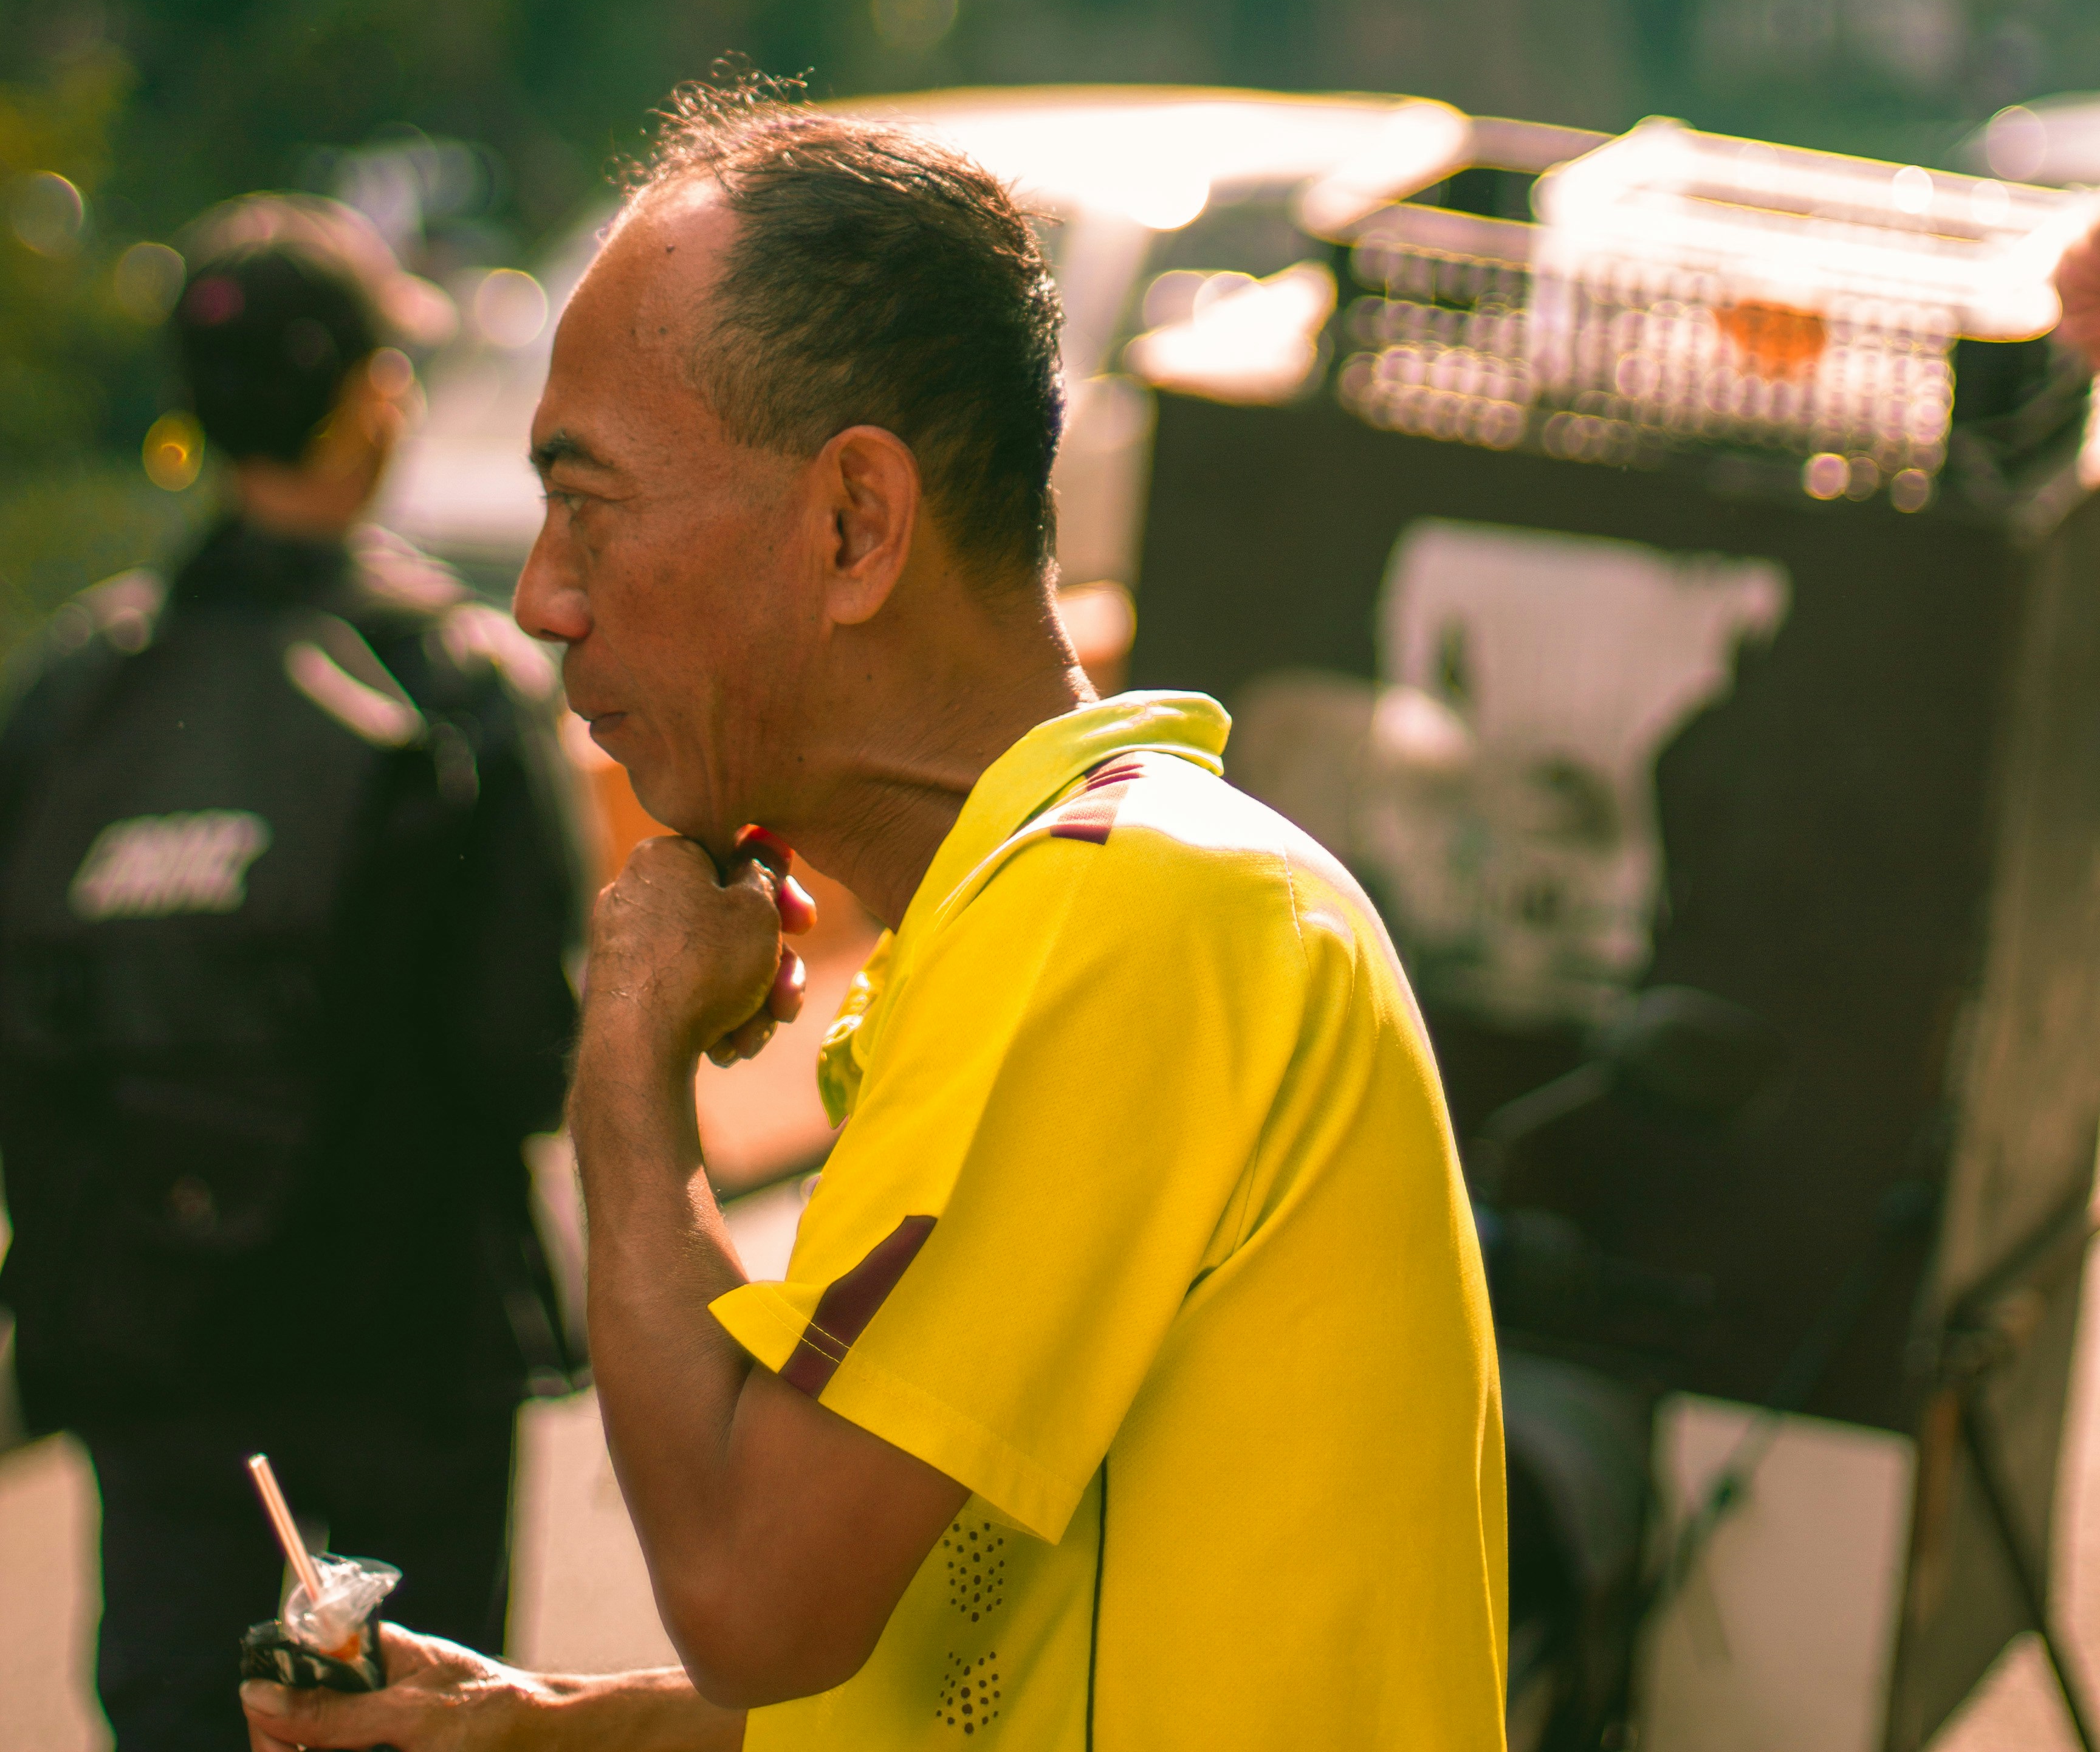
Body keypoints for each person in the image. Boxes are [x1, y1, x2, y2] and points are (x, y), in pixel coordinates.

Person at [244, 92, 1506, 1752]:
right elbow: (939, 1688)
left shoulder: (1127, 915)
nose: (543, 599)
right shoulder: (1031, 929)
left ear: (854, 526)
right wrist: (532, 1731)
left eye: (592, 505)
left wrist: (626, 1067)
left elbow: (759, 1596)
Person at [0, 196, 587, 1752]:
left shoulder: (75, 698)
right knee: (425, 1723)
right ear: (377, 398)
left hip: (156, 1355)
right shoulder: (458, 686)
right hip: (407, 1350)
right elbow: (529, 1049)